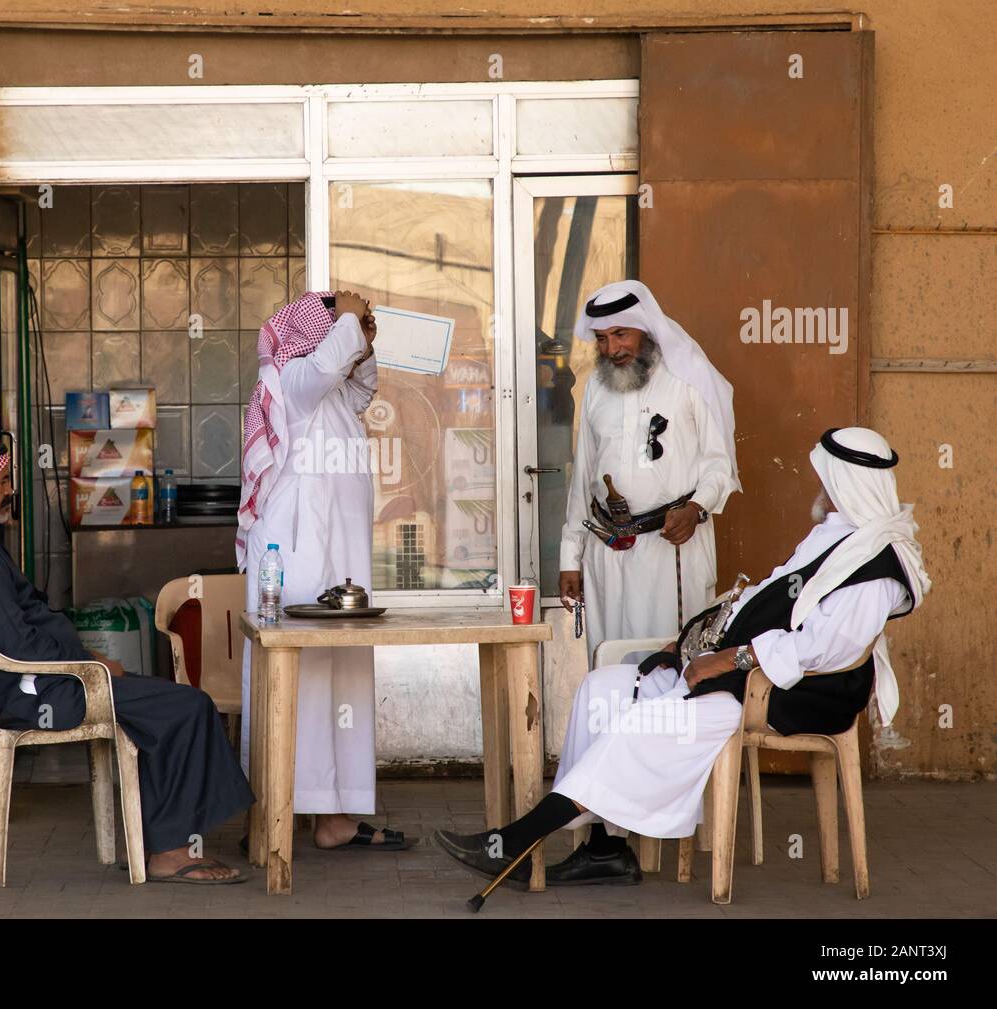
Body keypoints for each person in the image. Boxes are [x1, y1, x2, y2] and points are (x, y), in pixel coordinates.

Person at [438, 427, 929, 886]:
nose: (818, 486)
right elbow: (768, 596)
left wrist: (729, 659)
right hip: (751, 672)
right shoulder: (836, 535)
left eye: (825, 477)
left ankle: (518, 840)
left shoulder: (878, 565)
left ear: (846, 481)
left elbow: (825, 647)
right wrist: (694, 640)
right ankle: (604, 849)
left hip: (789, 693)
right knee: (603, 690)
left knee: (641, 725)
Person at [0, 433, 254, 884]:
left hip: (46, 680)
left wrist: (85, 656)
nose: (9, 489)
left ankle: (162, 841)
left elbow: (22, 633)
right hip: (40, 692)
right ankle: (171, 852)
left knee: (168, 704)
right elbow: (20, 647)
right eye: (0, 481)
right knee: (187, 707)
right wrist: (89, 666)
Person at [237, 290, 408, 851]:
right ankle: (276, 814)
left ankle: (335, 815)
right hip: (295, 558)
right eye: (332, 328)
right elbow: (328, 364)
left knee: (343, 674)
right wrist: (350, 317)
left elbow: (361, 383)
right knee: (298, 678)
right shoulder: (292, 383)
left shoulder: (329, 388)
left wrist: (363, 337)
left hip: (339, 557)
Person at [559, 280, 740, 658]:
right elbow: (583, 478)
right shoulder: (595, 387)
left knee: (667, 666)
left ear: (644, 327)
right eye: (603, 339)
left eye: (620, 334)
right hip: (606, 552)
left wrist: (696, 509)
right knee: (611, 663)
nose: (612, 349)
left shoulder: (689, 378)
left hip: (669, 550)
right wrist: (569, 557)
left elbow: (719, 464)